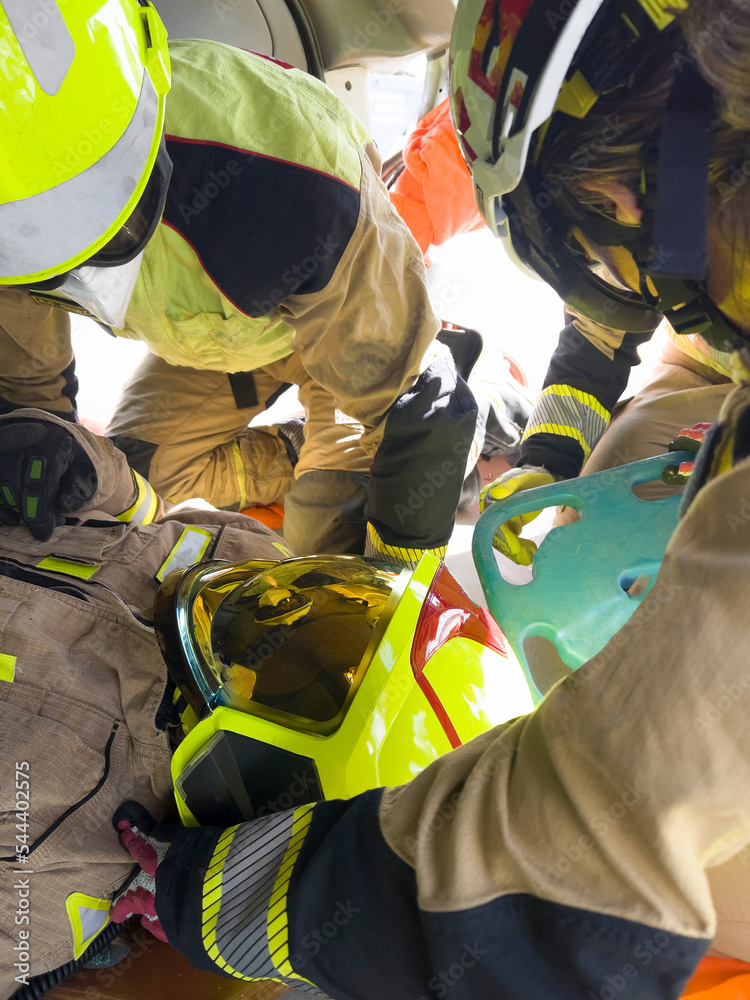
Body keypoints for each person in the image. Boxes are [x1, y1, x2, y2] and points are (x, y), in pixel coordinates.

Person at [106, 2, 750, 997]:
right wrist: (545, 452)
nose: (659, 297)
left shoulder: (310, 225)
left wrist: (237, 900)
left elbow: (577, 856)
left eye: (619, 256)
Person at [0, 0, 477, 568]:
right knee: (122, 474)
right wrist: (38, 437)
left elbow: (412, 406)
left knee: (323, 561)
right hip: (215, 345)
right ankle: (298, 446)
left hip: (345, 346)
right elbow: (30, 376)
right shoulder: (14, 187)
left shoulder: (292, 184)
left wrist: (394, 578)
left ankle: (469, 380)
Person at [461, 0, 740, 564]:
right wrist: (547, 459)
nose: (617, 221)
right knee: (595, 512)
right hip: (704, 362)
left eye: (597, 200)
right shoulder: (674, 203)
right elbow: (601, 327)